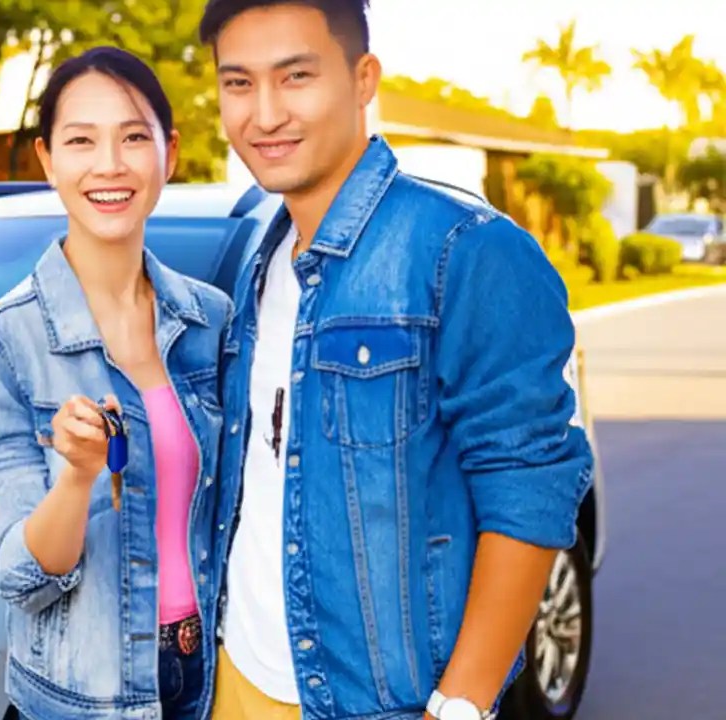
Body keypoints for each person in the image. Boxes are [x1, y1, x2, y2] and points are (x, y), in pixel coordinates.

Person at [195, 2, 595, 719]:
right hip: (238, 681)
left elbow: (530, 484)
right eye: (238, 84)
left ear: (363, 78)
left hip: (380, 703)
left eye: (295, 77)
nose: (264, 113)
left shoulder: (463, 250)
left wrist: (464, 702)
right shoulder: (262, 262)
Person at [0, 46, 234, 720]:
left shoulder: (213, 322)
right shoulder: (6, 339)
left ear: (168, 154)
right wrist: (77, 477)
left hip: (207, 681)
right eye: (81, 140)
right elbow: (23, 579)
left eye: (133, 137)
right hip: (83, 701)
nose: (110, 164)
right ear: (48, 160)